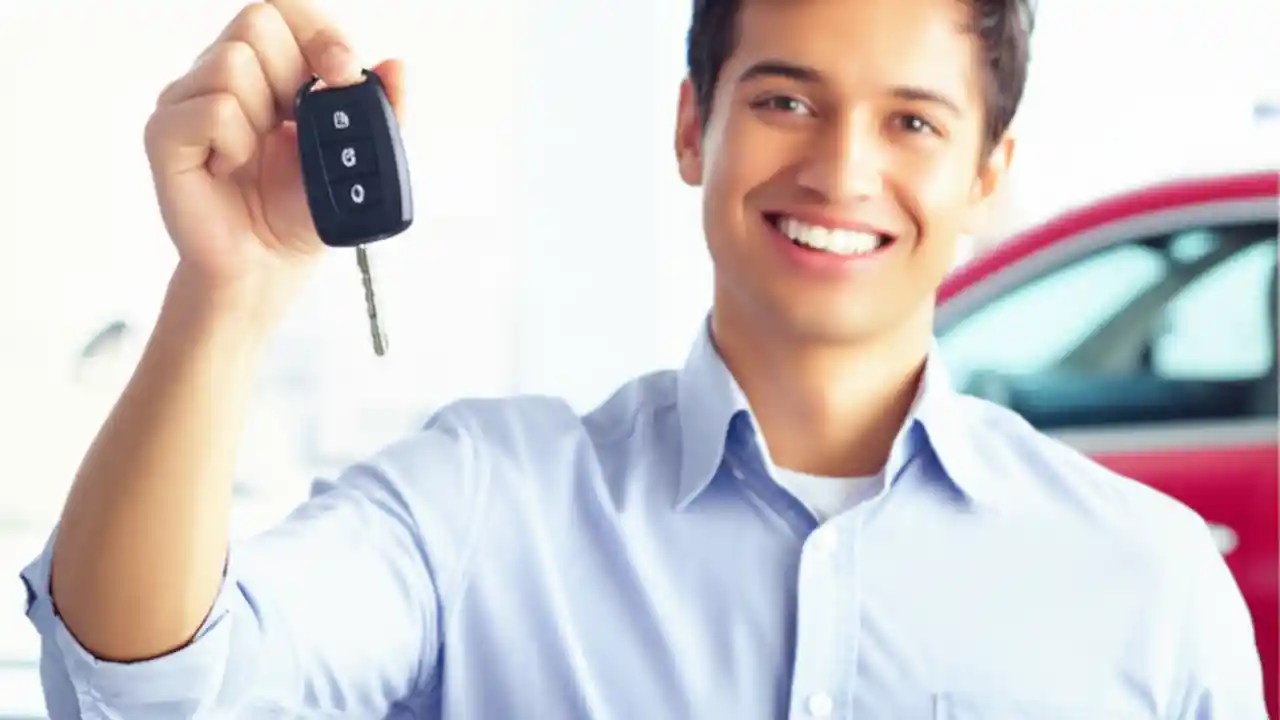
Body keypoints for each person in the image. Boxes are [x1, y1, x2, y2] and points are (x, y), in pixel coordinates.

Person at [19, 0, 1269, 717]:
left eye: (910, 122)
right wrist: (223, 293)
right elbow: (160, 690)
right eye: (784, 100)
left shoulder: (1145, 582)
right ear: (692, 127)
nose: (839, 169)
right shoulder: (483, 502)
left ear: (987, 174)